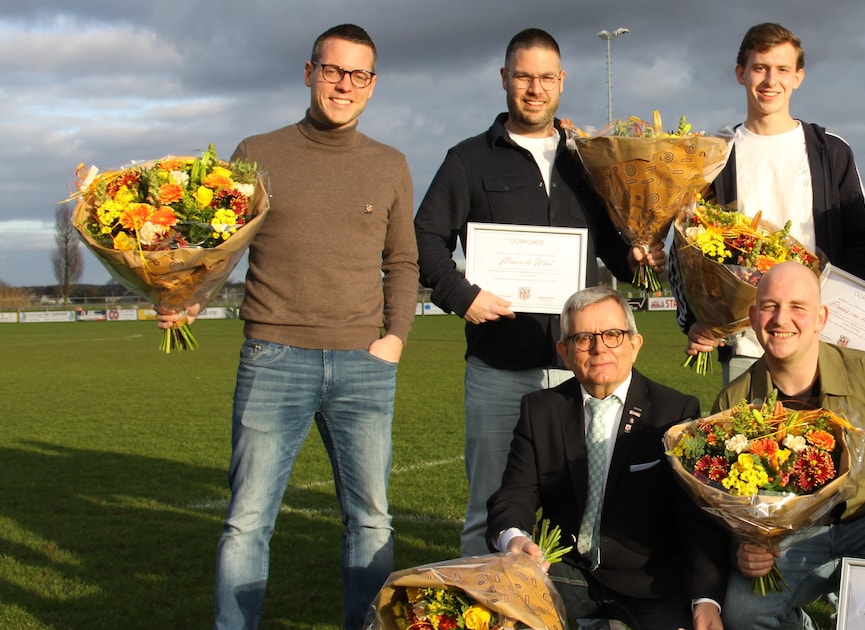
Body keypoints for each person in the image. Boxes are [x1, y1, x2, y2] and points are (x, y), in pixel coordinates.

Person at [159, 24, 418, 630]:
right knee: (248, 519)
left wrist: (394, 340)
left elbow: (401, 262)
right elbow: (220, 246)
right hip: (274, 357)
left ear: (373, 85)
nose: (343, 85)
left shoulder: (391, 164)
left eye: (358, 75)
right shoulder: (257, 152)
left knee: (371, 520)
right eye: (333, 71)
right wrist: (187, 294)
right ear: (309, 73)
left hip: (364, 364)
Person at [414, 28, 659, 557]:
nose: (534, 88)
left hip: (581, 367)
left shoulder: (589, 160)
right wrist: (462, 294)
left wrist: (641, 258)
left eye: (546, 78)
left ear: (562, 83)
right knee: (491, 508)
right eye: (523, 76)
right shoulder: (468, 159)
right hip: (501, 368)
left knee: (587, 503)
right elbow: (424, 239)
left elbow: (612, 249)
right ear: (504, 79)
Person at [715, 261, 865, 630]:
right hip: (790, 542)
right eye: (770, 306)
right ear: (753, 315)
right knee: (744, 613)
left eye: (797, 307)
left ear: (821, 318)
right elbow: (723, 500)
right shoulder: (735, 400)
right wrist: (743, 547)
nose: (781, 319)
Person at [487, 286, 728, 629]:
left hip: (651, 583)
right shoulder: (540, 410)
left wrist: (706, 600)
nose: (599, 348)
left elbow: (695, 517)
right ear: (565, 351)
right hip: (566, 570)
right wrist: (514, 539)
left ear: (634, 344)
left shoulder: (675, 412)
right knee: (488, 611)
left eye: (613, 335)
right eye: (584, 338)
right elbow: (515, 493)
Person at [671, 22, 865, 384]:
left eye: (782, 69)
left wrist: (840, 316)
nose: (771, 80)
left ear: (798, 76)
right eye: (760, 68)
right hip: (744, 344)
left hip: (818, 341)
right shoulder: (715, 155)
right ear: (741, 74)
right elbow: (686, 246)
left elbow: (862, 242)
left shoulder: (831, 151)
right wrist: (695, 318)